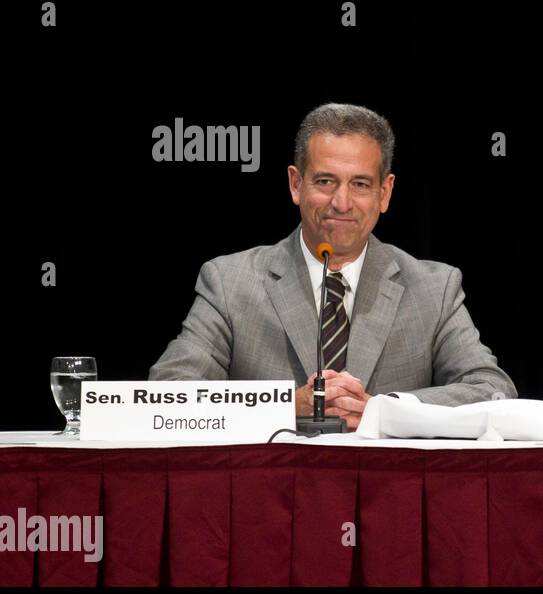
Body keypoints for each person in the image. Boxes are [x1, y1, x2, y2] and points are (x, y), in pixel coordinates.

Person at [151, 103, 516, 430]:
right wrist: (285, 406)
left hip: (387, 495)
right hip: (269, 495)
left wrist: (383, 410)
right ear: (296, 184)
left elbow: (493, 390)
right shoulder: (230, 283)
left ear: (384, 193)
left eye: (360, 184)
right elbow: (167, 393)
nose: (341, 202)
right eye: (325, 181)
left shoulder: (434, 289)